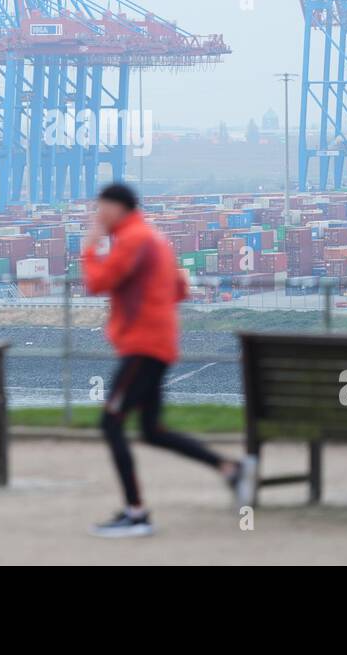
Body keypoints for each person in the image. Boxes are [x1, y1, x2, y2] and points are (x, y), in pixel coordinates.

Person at [81, 182, 256, 538]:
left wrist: (90, 247)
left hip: (142, 347)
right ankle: (229, 468)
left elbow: (97, 282)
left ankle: (136, 514)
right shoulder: (155, 238)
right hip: (159, 344)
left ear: (116, 208)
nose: (97, 215)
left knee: (111, 423)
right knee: (151, 430)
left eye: (101, 208)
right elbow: (180, 288)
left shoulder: (131, 240)